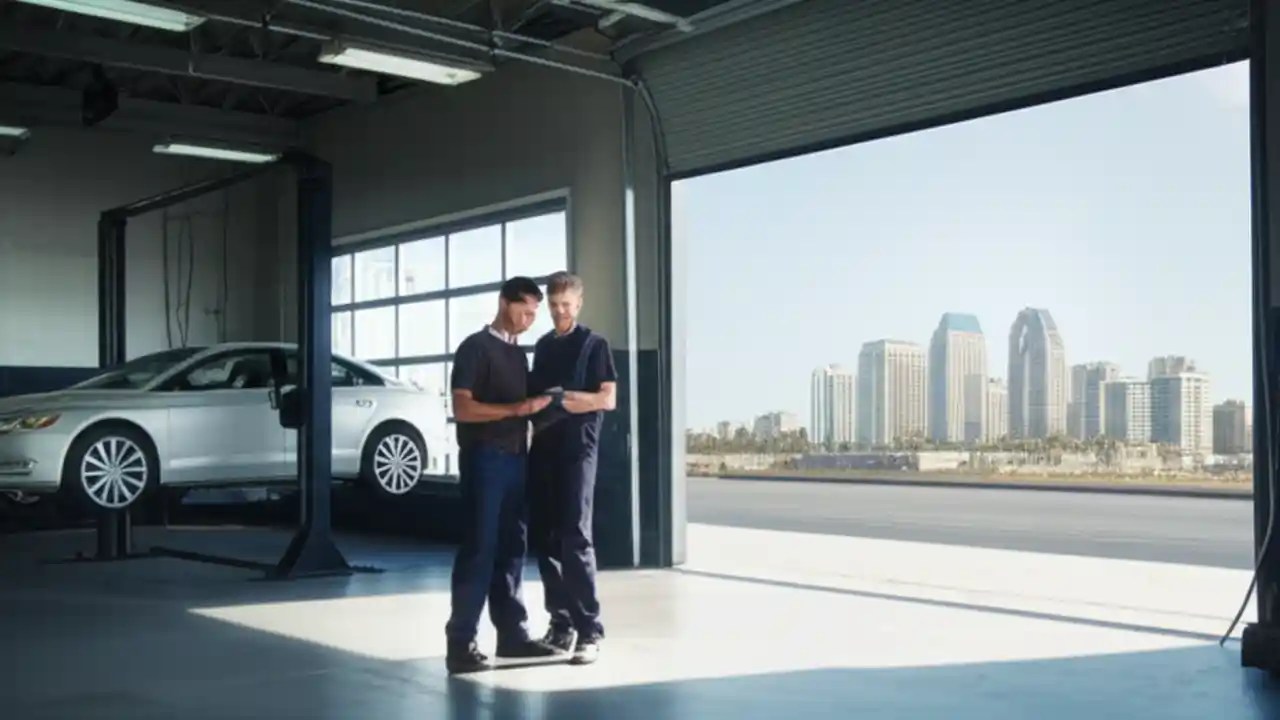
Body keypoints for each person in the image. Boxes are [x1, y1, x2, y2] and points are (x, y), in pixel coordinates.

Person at [444, 276, 558, 675]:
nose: (529, 319)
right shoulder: (474, 349)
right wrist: (516, 410)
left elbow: (527, 408)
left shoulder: (518, 356)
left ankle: (512, 636)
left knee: (512, 549)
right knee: (480, 548)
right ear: (503, 302)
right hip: (484, 460)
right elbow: (463, 409)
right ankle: (461, 643)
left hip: (516, 461)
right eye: (524, 310)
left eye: (533, 314)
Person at [527, 271, 618, 666]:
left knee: (575, 537)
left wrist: (563, 399)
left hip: (578, 452)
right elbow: (533, 400)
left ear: (578, 304)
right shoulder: (544, 346)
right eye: (553, 305)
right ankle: (560, 625)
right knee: (546, 541)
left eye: (566, 305)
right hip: (543, 450)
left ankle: (589, 630)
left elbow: (607, 399)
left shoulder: (594, 345)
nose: (559, 312)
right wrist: (558, 402)